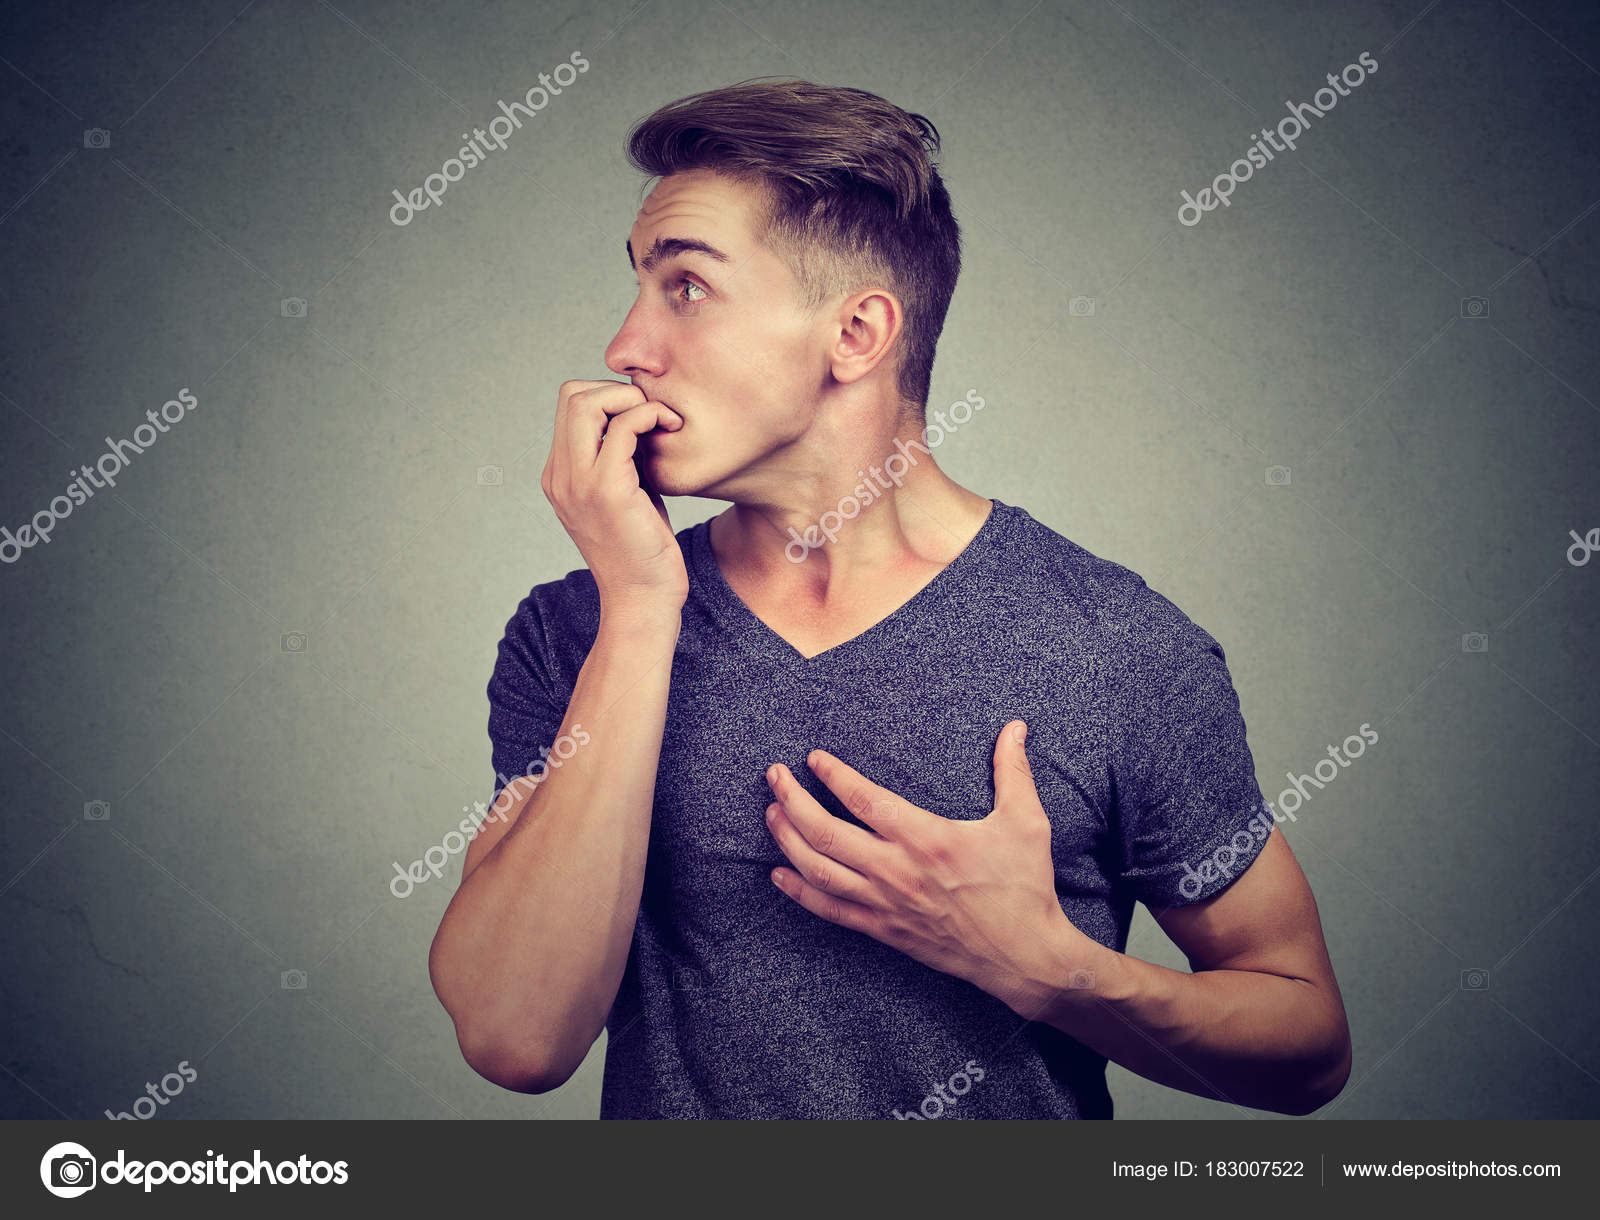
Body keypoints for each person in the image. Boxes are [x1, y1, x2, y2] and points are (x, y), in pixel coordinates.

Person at [428, 79, 1350, 1119]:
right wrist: (642, 607)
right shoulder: (577, 630)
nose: (625, 347)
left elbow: (1305, 1046)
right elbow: (515, 1033)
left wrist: (1055, 971)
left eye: (684, 287)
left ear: (857, 333)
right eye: (639, 285)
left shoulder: (1115, 646)